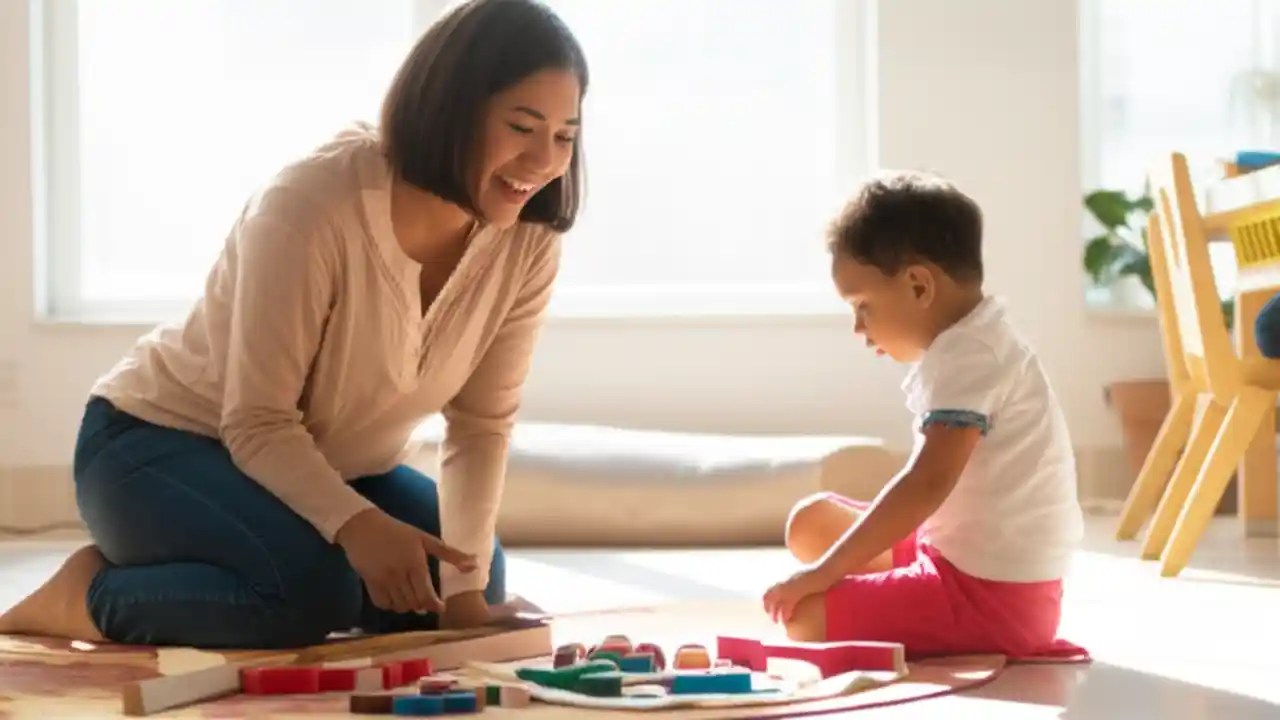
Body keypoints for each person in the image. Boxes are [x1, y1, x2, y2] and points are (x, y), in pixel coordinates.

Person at [0, 0, 587, 648]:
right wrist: (357, 526)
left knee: (464, 578)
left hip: (325, 463)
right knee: (310, 593)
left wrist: (469, 598)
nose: (543, 160)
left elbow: (481, 424)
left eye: (564, 135)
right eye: (522, 127)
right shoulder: (312, 204)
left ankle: (266, 569)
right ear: (453, 110)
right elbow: (255, 421)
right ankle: (86, 596)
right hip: (157, 443)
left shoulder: (528, 240)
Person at [762, 172, 1085, 659]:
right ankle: (896, 593)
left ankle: (910, 602)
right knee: (809, 523)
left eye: (863, 305)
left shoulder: (972, 356)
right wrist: (828, 566)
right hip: (958, 557)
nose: (857, 326)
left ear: (918, 285)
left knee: (804, 620)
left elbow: (926, 484)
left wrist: (826, 572)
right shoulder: (971, 342)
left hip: (990, 600)